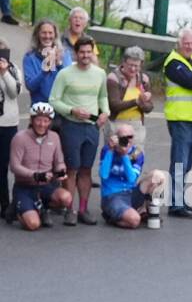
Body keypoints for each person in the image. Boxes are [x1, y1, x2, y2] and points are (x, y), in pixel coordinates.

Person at [49, 37, 108, 226]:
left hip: (91, 127)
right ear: (75, 54)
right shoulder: (65, 74)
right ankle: (70, 210)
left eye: (88, 52)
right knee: (72, 169)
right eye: (82, 52)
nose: (85, 55)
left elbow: (103, 97)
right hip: (71, 126)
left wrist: (105, 113)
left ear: (93, 52)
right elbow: (54, 100)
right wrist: (72, 110)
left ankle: (83, 208)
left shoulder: (100, 74)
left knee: (86, 169)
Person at [161, 29, 192, 217]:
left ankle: (182, 199)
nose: (190, 47)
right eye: (187, 43)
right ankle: (175, 204)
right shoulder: (173, 62)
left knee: (187, 162)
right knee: (180, 161)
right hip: (179, 118)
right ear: (179, 43)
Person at [9, 102, 70, 230]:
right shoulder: (20, 138)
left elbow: (59, 161)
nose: (42, 124)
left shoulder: (54, 137)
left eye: (45, 121)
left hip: (46, 186)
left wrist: (61, 171)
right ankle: (17, 207)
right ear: (32, 120)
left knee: (66, 198)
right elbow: (14, 166)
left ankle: (43, 209)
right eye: (38, 120)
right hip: (25, 186)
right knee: (33, 225)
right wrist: (35, 175)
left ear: (50, 122)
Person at [98, 125, 167, 229]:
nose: (127, 140)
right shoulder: (107, 149)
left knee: (158, 176)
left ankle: (146, 210)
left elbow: (132, 179)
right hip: (112, 196)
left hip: (131, 192)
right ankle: (112, 217)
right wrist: (112, 151)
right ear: (116, 138)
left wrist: (124, 155)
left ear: (133, 138)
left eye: (129, 137)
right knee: (135, 221)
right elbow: (103, 175)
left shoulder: (137, 153)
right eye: (122, 137)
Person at [106, 45, 153, 148]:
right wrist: (136, 102)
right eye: (130, 65)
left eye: (136, 66)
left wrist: (143, 103)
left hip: (137, 126)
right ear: (123, 62)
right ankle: (179, 165)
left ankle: (180, 165)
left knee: (135, 160)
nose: (133, 69)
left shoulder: (144, 79)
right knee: (116, 160)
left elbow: (149, 108)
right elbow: (114, 105)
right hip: (117, 125)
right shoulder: (114, 78)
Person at [21, 19, 68, 106]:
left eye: (50, 33)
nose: (47, 36)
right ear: (37, 35)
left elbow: (69, 82)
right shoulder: (29, 57)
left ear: (55, 35)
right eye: (44, 32)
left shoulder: (64, 54)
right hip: (40, 110)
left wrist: (59, 65)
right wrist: (44, 71)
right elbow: (30, 86)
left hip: (61, 107)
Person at [0, 47, 19, 220]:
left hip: (7, 124)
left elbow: (14, 93)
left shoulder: (13, 69)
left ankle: (5, 205)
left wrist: (4, 73)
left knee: (4, 166)